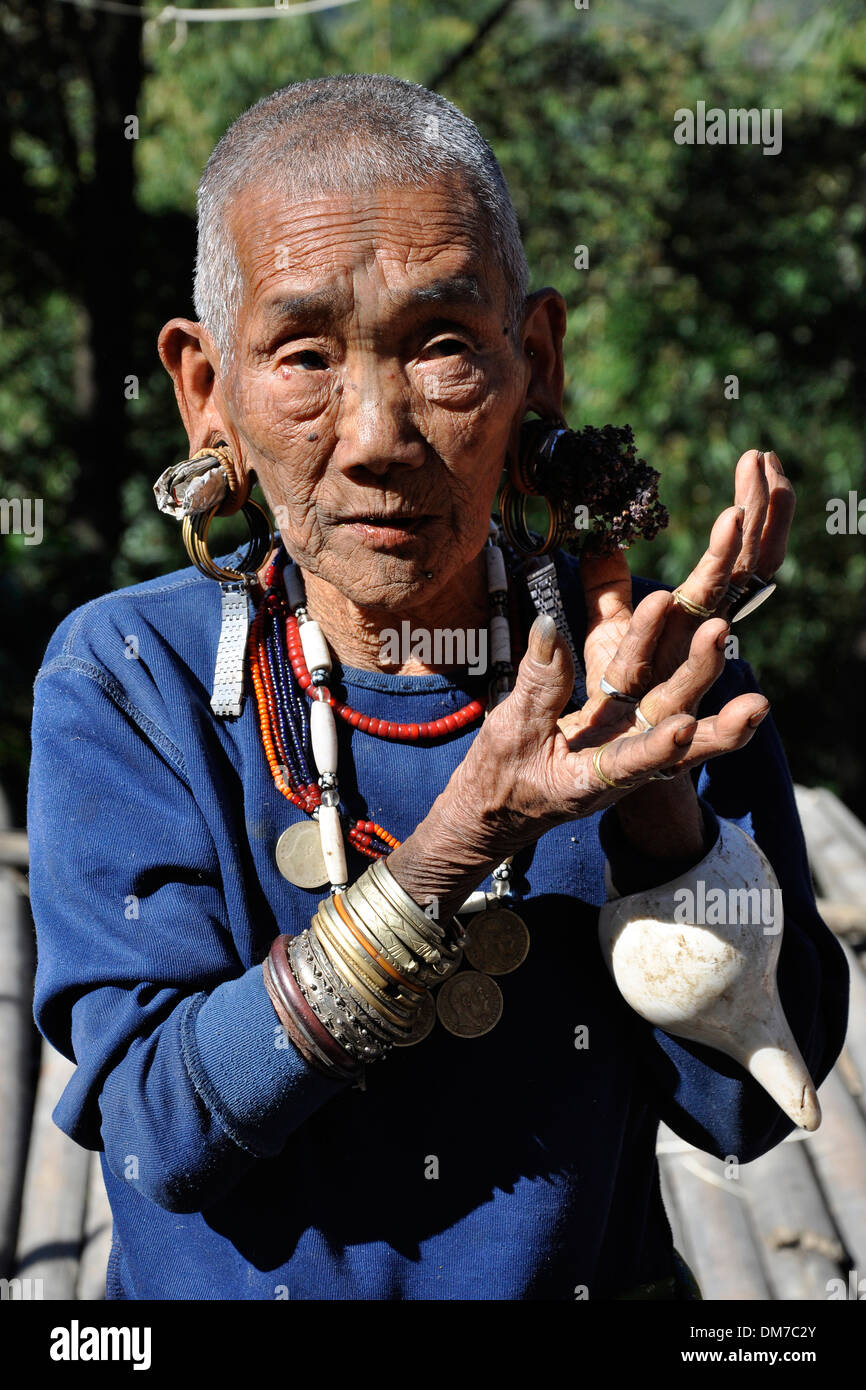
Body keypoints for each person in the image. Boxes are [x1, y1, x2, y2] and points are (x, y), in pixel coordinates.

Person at [28, 73, 847, 1301]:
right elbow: (159, 1133)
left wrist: (659, 813)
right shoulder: (131, 678)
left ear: (535, 362)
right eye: (302, 353)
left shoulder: (648, 664)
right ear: (207, 393)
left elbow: (749, 1114)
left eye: (443, 347)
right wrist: (461, 838)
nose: (373, 434)